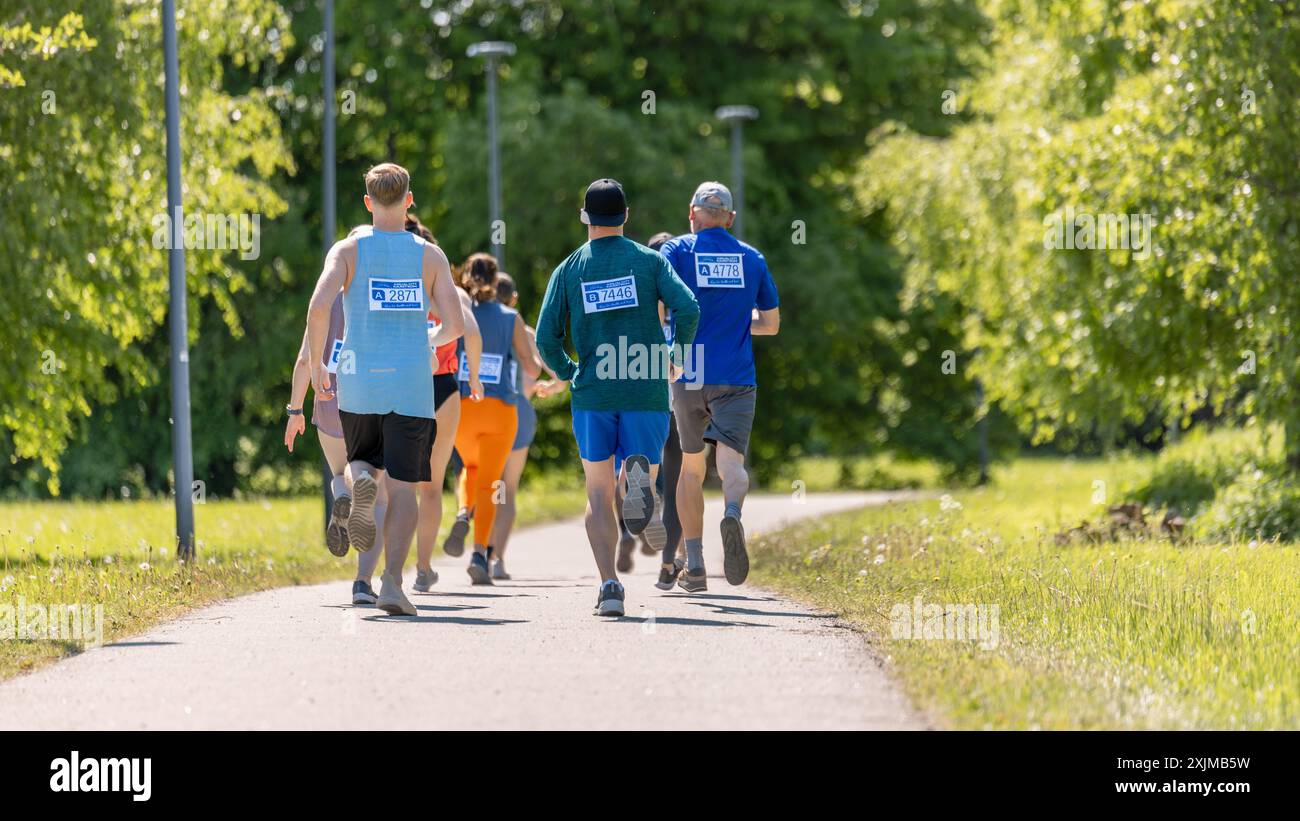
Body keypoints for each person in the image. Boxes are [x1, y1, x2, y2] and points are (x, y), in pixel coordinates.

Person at [536, 178, 699, 617]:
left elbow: (545, 337)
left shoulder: (570, 269)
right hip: (645, 385)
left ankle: (609, 585)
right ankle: (639, 473)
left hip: (594, 391)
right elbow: (688, 308)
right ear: (626, 216)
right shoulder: (650, 262)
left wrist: (571, 372)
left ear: (585, 218)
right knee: (639, 466)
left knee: (597, 490)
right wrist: (675, 356)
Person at [307, 162, 464, 616]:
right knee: (404, 489)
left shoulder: (348, 250)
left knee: (362, 461)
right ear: (409, 201)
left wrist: (319, 364)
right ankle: (392, 582)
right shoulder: (429, 256)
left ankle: (359, 485)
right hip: (412, 384)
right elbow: (453, 324)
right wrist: (427, 340)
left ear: (368, 203)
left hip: (357, 381)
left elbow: (319, 306)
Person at [660, 182, 780, 591]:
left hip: (689, 370)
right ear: (730, 218)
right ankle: (732, 511)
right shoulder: (752, 258)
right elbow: (771, 323)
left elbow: (661, 308)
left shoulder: (675, 251)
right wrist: (733, 323)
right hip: (737, 375)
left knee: (691, 468)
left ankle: (693, 564)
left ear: (691, 214)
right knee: (732, 465)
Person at [285, 281, 387, 606]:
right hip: (369, 403)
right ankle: (362, 582)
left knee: (339, 469)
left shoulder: (324, 305)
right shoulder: (377, 302)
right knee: (378, 499)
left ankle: (342, 496)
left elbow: (304, 360)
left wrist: (294, 410)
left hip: (328, 403)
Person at [444, 254, 541, 585]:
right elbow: (531, 367)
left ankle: (461, 512)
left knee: (468, 469)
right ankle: (479, 555)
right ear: (497, 279)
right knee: (491, 482)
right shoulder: (510, 317)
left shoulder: (457, 311)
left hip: (463, 408)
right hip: (500, 410)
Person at [405, 215, 484, 594]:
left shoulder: (390, 282)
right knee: (432, 486)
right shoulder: (448, 288)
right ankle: (422, 569)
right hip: (444, 386)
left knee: (396, 483)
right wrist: (476, 375)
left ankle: (382, 571)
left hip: (399, 382)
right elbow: (471, 327)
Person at [485, 272, 563, 581]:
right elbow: (556, 372)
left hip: (485, 411)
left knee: (490, 487)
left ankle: (482, 549)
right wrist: (547, 387)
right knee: (508, 489)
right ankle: (499, 559)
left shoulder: (479, 325)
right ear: (513, 299)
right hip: (519, 412)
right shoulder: (525, 332)